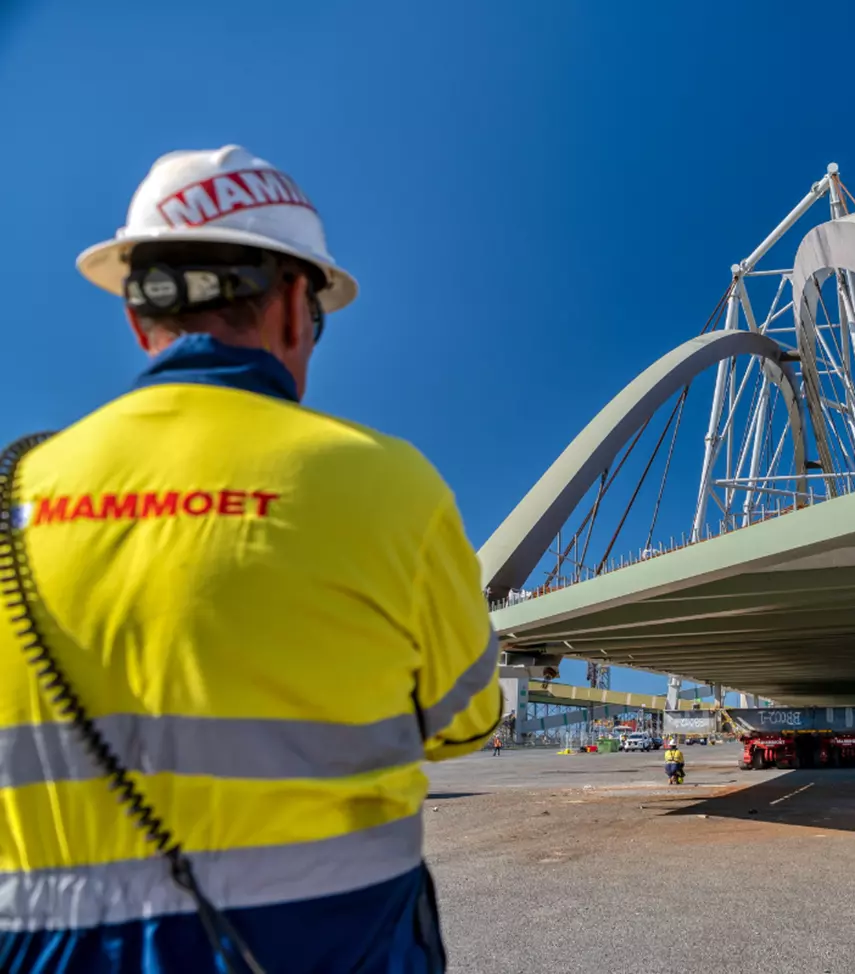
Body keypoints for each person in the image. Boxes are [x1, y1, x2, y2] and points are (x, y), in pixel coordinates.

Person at [0, 146, 502, 973]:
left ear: (138, 318)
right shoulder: (388, 486)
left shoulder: (14, 493)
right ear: (297, 306)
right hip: (322, 945)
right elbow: (467, 722)